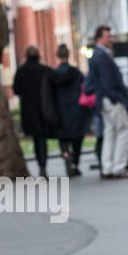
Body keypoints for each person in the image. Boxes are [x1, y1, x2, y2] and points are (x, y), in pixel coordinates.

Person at [85, 25, 128, 179]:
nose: (111, 39)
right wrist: (115, 97)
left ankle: (107, 167)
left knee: (110, 132)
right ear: (100, 38)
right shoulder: (102, 56)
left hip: (104, 99)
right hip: (111, 99)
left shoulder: (97, 54)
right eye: (108, 36)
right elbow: (107, 81)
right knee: (125, 130)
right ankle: (119, 167)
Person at [12, 46, 56, 177]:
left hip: (28, 110)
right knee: (42, 139)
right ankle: (43, 166)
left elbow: (16, 89)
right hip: (43, 109)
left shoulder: (21, 71)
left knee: (36, 139)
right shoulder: (43, 70)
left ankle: (40, 165)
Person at [50, 43, 85, 176]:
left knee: (63, 139)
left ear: (57, 55)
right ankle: (75, 163)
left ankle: (66, 157)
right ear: (68, 54)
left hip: (60, 110)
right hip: (76, 108)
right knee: (77, 138)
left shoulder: (54, 74)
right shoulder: (76, 73)